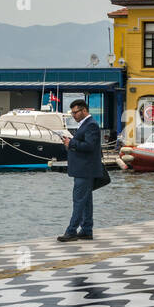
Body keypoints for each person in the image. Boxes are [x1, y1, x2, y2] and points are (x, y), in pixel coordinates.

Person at [58, 99, 108, 241]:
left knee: (79, 200)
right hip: (83, 169)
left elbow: (90, 146)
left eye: (75, 112)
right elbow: (84, 145)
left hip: (85, 170)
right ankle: (86, 230)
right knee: (85, 201)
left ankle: (71, 231)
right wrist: (70, 143)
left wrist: (71, 142)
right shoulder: (85, 125)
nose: (73, 115)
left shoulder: (90, 125)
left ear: (84, 110)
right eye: (72, 112)